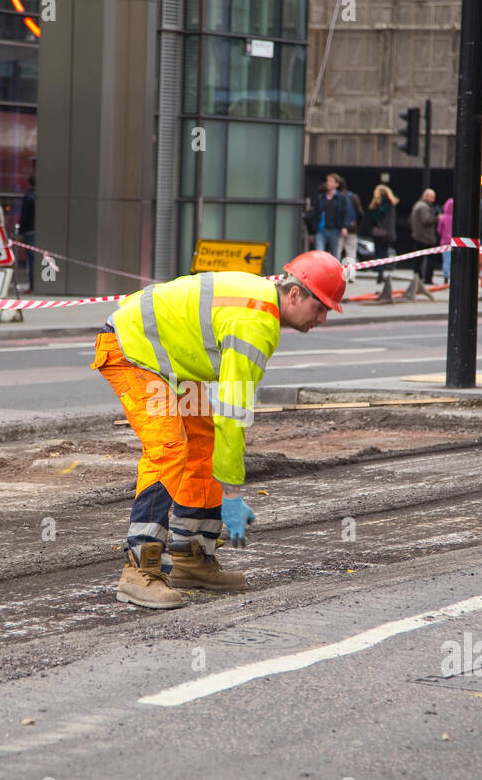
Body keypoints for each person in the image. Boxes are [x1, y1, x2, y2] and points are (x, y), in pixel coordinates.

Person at [91, 250, 346, 609]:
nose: (322, 318)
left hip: (172, 362)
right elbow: (233, 413)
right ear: (295, 295)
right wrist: (231, 494)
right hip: (132, 350)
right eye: (320, 308)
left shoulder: (261, 302)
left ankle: (190, 556)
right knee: (168, 446)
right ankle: (139, 569)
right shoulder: (256, 325)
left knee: (203, 443)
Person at [308, 173, 353, 259]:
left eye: (331, 181)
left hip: (335, 230)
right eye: (327, 181)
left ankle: (335, 272)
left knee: (335, 254)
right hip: (321, 230)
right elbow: (315, 215)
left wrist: (344, 226)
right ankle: (320, 272)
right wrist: (312, 232)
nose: (328, 183)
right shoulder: (320, 198)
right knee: (319, 254)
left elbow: (346, 213)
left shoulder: (341, 198)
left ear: (336, 184)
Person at [368, 184, 399, 302]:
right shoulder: (391, 204)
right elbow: (390, 221)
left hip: (377, 233)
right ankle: (381, 272)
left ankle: (379, 272)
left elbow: (371, 219)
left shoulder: (375, 205)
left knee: (378, 253)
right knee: (384, 254)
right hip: (386, 233)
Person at [408, 187, 438, 285]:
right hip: (425, 238)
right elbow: (426, 220)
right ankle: (427, 278)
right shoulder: (424, 207)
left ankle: (418, 277)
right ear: (426, 196)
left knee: (418, 259)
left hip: (417, 236)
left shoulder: (417, 205)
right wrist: (437, 218)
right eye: (432, 197)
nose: (433, 200)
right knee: (429, 259)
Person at [338, 179, 365, 283]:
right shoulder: (353, 197)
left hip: (338, 229)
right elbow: (360, 213)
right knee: (351, 253)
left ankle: (338, 275)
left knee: (337, 253)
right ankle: (351, 276)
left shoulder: (337, 197)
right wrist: (356, 225)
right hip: (352, 229)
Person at [18, 175, 36, 291]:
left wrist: (21, 232)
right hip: (41, 231)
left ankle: (33, 285)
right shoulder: (41, 197)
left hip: (30, 231)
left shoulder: (29, 197)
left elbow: (24, 216)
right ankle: (43, 282)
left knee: (32, 260)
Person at [437, 198, 455, 283]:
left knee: (446, 260)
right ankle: (453, 276)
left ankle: (445, 278)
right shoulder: (456, 218)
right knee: (454, 261)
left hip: (444, 242)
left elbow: (439, 231)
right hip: (455, 242)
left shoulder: (442, 218)